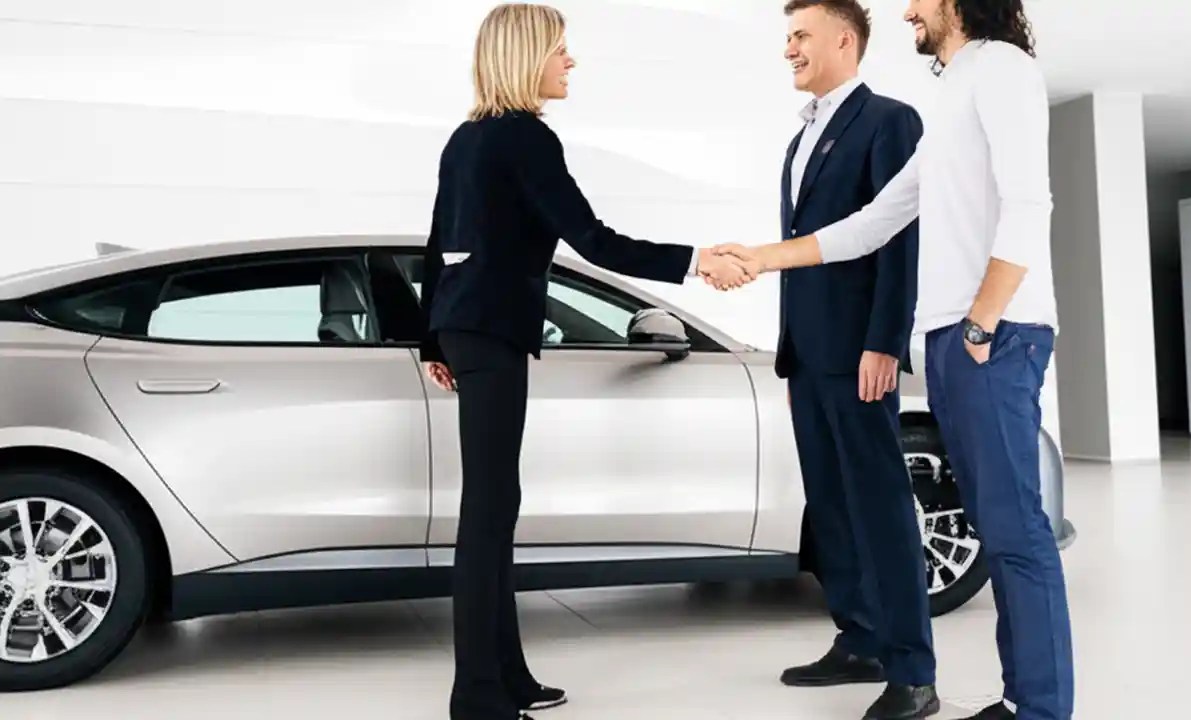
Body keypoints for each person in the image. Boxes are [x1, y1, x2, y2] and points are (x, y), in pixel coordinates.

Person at [716, 1, 1073, 718]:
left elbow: (1030, 204)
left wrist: (980, 323)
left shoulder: (1001, 68)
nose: (908, 9)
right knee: (997, 528)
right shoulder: (953, 91)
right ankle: (1020, 699)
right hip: (951, 338)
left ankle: (1040, 707)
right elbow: (874, 221)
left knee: (1013, 532)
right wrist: (762, 258)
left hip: (991, 337)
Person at [417, 5, 754, 720]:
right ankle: (477, 694)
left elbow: (435, 241)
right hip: (490, 332)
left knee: (494, 507)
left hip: (470, 330)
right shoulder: (525, 138)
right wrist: (698, 262)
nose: (570, 63)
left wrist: (431, 338)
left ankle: (505, 676)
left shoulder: (467, 136)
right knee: (487, 512)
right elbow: (594, 242)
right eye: (560, 51)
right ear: (526, 57)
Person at [764, 2, 938, 719]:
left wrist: (884, 343)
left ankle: (913, 673)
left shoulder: (891, 121)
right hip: (806, 355)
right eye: (787, 38)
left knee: (879, 508)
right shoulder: (801, 135)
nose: (789, 51)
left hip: (857, 351)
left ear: (843, 39)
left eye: (800, 36)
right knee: (830, 506)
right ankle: (860, 638)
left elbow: (898, 239)